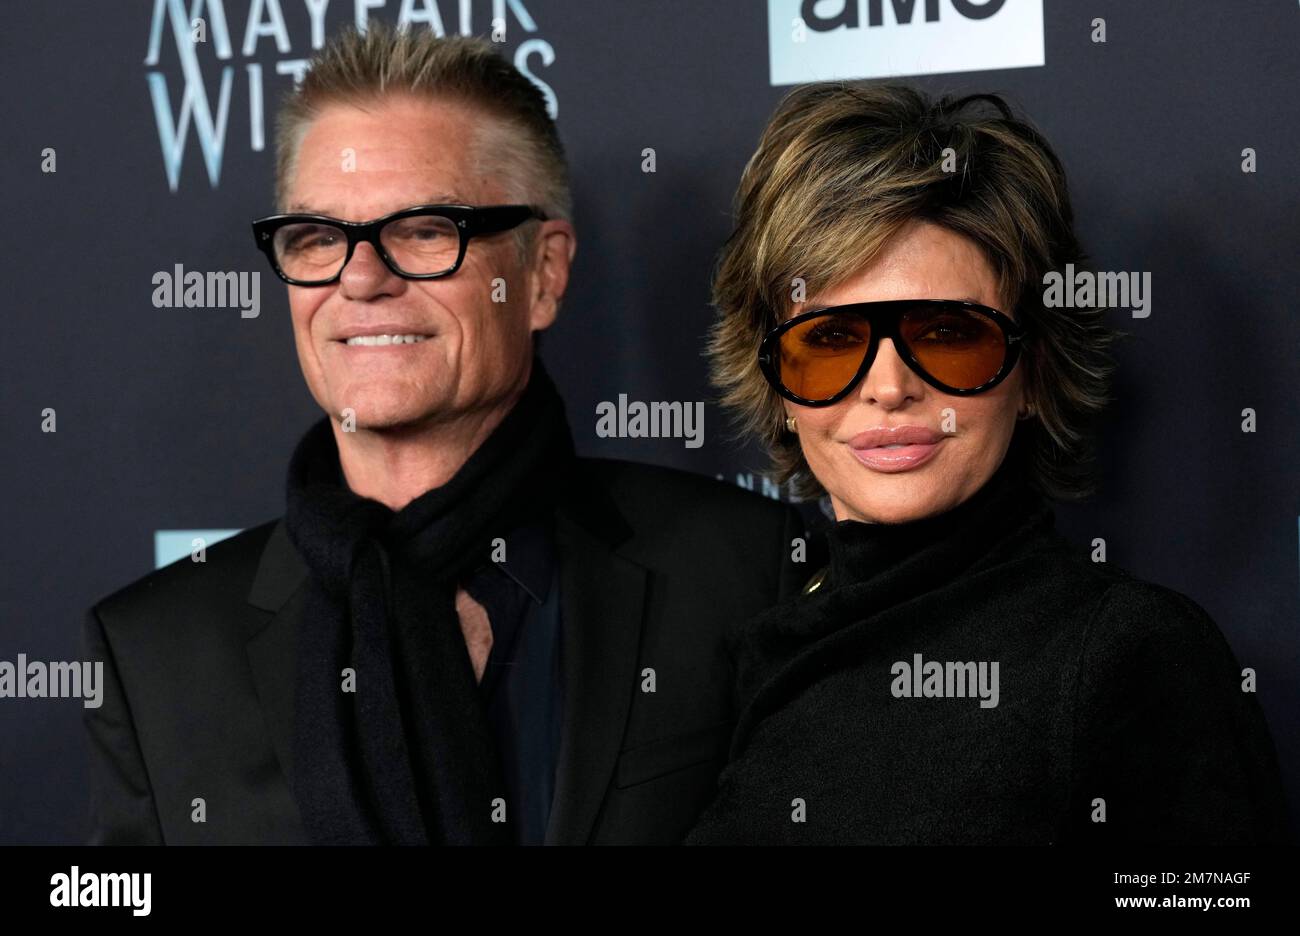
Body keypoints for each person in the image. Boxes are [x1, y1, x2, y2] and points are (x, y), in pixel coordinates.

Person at [82, 24, 805, 846]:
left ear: (545, 273)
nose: (361, 278)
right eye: (318, 237)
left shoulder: (748, 575)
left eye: (426, 230)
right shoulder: (154, 654)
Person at [685, 81, 1289, 844]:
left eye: (946, 334)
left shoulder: (1128, 652)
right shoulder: (740, 647)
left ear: (1032, 371)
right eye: (829, 343)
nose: (889, 388)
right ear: (777, 387)